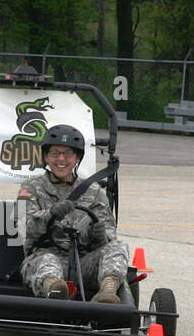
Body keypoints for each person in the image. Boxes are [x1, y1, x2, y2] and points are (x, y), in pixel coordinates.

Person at [17, 124, 130, 303]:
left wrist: (99, 235)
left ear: (77, 158)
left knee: (119, 247)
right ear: (46, 156)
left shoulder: (93, 192)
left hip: (83, 262)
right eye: (55, 153)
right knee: (48, 261)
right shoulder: (31, 188)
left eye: (68, 154)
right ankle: (55, 290)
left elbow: (109, 235)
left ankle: (107, 292)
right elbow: (24, 228)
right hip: (43, 258)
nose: (61, 159)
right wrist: (50, 214)